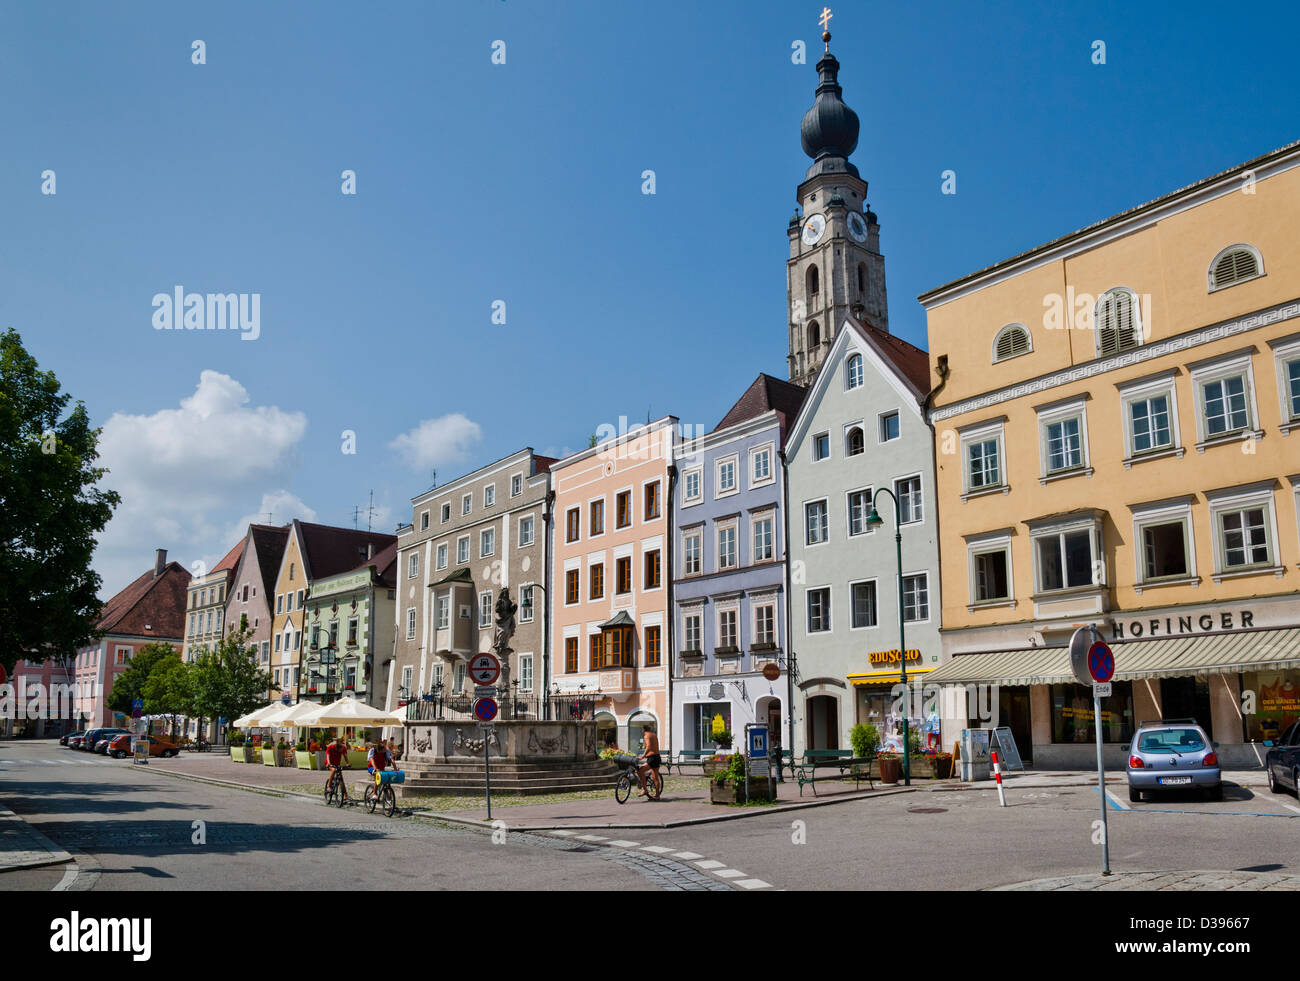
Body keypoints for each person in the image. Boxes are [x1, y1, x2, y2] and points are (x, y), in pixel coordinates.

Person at [635, 727, 662, 797]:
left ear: (643, 731)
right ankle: (657, 795)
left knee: (640, 771)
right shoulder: (654, 735)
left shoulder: (646, 736)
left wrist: (643, 756)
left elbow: (649, 746)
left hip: (652, 758)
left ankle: (645, 789)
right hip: (657, 757)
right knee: (655, 777)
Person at [324, 734, 350, 801]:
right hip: (329, 763)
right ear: (336, 748)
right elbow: (328, 755)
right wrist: (329, 763)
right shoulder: (330, 747)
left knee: (341, 779)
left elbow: (345, 756)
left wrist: (347, 763)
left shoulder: (343, 748)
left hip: (337, 764)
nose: (341, 752)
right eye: (339, 751)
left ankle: (345, 795)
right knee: (333, 770)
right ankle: (329, 786)